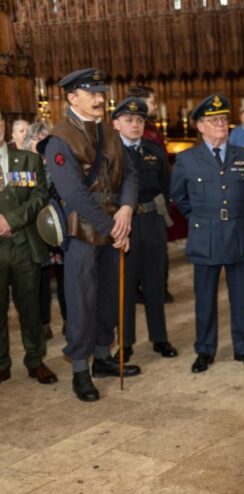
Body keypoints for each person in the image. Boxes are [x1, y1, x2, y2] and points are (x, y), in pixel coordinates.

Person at [43, 68, 141, 402]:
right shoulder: (59, 138)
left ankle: (102, 357)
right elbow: (74, 195)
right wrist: (113, 228)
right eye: (93, 93)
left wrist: (126, 209)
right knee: (82, 301)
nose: (101, 99)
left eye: (102, 92)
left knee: (109, 296)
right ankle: (80, 371)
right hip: (83, 230)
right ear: (73, 98)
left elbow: (129, 173)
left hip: (114, 227)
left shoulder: (109, 131)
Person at [170, 94, 244, 373]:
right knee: (205, 298)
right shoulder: (186, 159)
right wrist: (201, 219)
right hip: (205, 236)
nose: (221, 124)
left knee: (239, 296)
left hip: (236, 232)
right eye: (214, 120)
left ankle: (243, 348)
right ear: (200, 127)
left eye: (224, 119)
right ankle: (205, 350)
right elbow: (178, 197)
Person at [111, 97, 178, 362]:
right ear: (116, 123)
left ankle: (159, 338)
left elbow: (165, 185)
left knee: (155, 283)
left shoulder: (154, 150)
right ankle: (125, 343)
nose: (135, 125)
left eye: (140, 120)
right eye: (129, 120)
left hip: (151, 221)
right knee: (125, 286)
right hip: (123, 225)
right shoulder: (109, 153)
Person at [0, 110, 57, 385]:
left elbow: (39, 196)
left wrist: (10, 220)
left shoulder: (27, 160)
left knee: (31, 307)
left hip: (23, 244)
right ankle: (1, 362)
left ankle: (35, 359)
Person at [127, 85, 173, 303]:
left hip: (156, 200)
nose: (156, 105)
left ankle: (158, 289)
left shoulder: (152, 128)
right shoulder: (136, 134)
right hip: (138, 204)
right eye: (153, 101)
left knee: (158, 253)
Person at [23, 122, 67, 340]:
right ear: (28, 141)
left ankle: (69, 320)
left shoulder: (59, 164)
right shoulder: (23, 167)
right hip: (35, 232)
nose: (40, 140)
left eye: (45, 136)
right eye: (36, 136)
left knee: (65, 278)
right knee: (39, 282)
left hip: (59, 230)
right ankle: (43, 323)